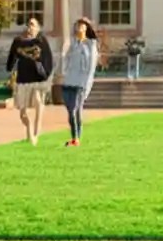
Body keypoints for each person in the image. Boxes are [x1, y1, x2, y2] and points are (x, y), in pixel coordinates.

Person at [6, 17, 55, 146]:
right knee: (22, 113)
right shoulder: (18, 42)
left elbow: (48, 59)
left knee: (38, 102)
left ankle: (36, 134)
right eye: (28, 25)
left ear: (38, 28)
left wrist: (46, 74)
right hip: (23, 80)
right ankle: (29, 129)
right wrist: (9, 68)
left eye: (33, 25)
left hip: (38, 80)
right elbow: (11, 59)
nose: (30, 27)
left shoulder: (41, 41)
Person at [60, 17, 100, 147]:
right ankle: (75, 138)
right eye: (78, 25)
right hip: (68, 81)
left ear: (86, 28)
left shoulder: (91, 44)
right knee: (72, 111)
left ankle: (76, 138)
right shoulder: (72, 43)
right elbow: (65, 60)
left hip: (81, 83)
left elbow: (91, 67)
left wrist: (87, 85)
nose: (79, 28)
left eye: (82, 26)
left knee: (74, 110)